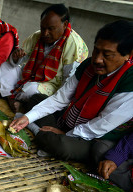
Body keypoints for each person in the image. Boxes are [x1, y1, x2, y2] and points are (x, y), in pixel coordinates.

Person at [10, 20, 133, 163]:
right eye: (96, 50)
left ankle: (39, 132)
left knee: (60, 145)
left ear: (128, 55)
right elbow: (60, 99)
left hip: (93, 137)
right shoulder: (88, 65)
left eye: (107, 55)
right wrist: (28, 118)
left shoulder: (129, 81)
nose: (98, 59)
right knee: (36, 98)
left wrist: (65, 134)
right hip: (68, 120)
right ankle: (37, 128)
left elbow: (101, 125)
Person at [0, 4, 88, 112]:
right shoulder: (37, 36)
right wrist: (16, 57)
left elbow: (69, 81)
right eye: (43, 28)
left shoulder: (73, 44)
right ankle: (11, 99)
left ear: (64, 25)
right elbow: (18, 62)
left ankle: (11, 96)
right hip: (30, 76)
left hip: (52, 84)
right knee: (5, 66)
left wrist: (57, 103)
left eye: (51, 29)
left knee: (29, 89)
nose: (45, 33)